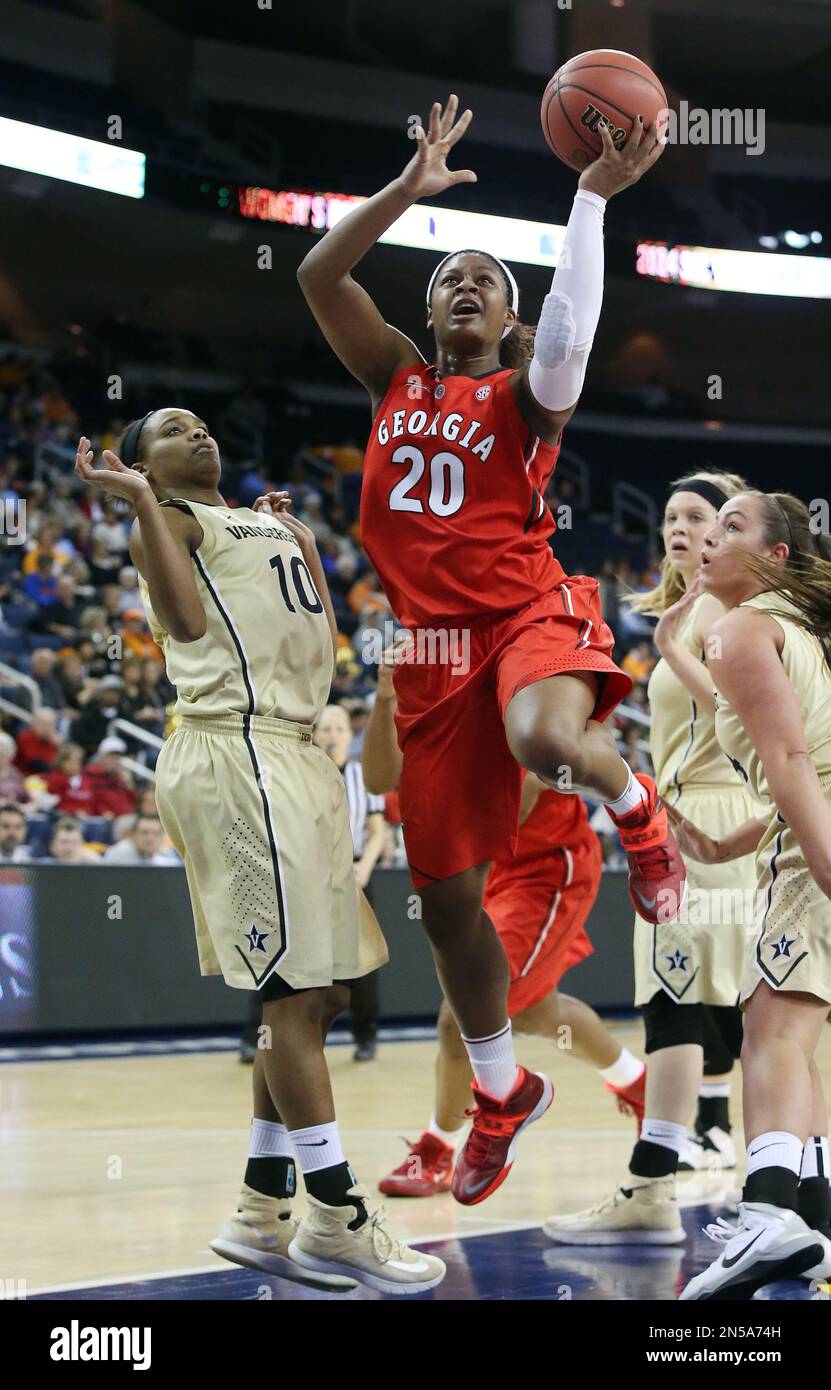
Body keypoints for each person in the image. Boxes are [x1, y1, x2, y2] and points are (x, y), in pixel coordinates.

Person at [297, 94, 682, 1205]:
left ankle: (637, 811)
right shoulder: (394, 381)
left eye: (487, 283)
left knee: (543, 735)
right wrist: (402, 194)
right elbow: (320, 278)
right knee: (449, 903)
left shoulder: (527, 396)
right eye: (446, 280)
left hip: (522, 610)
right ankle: (502, 1093)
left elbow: (570, 326)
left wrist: (589, 201)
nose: (464, 286)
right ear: (426, 314)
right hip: (428, 650)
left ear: (510, 320)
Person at [74, 415, 444, 1295]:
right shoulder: (168, 520)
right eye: (170, 430)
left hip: (292, 746)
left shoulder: (260, 520)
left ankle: (261, 1203)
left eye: (200, 424)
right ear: (141, 465)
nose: (196, 433)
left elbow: (320, 631)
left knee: (309, 989)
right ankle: (335, 1215)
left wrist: (303, 540)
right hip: (232, 745)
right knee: (291, 991)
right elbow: (185, 622)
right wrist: (140, 507)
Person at [546, 472, 761, 1245]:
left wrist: (672, 647)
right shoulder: (695, 605)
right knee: (722, 1004)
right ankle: (760, 1177)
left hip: (706, 818)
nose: (678, 527)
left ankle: (653, 1189)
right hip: (705, 816)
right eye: (669, 515)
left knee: (679, 1002)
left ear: (728, 527)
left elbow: (741, 711)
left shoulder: (716, 612)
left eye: (697, 516)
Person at [362, 648, 647, 1197]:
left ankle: (438, 1150)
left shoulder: (506, 665)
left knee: (461, 1015)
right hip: (489, 868)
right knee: (537, 1010)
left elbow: (524, 792)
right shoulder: (425, 673)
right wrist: (385, 695)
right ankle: (638, 1082)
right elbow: (379, 780)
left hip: (545, 867)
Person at [667, 491, 831, 1299]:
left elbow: (794, 760)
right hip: (804, 830)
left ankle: (767, 1214)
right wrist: (741, 839)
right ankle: (816, 1214)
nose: (706, 536)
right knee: (797, 1034)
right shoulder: (795, 628)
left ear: (772, 557)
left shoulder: (740, 628)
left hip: (814, 846)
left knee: (767, 1026)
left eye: (730, 526)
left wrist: (822, 862)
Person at [315, 703, 386, 1061]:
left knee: (361, 959)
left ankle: (366, 1035)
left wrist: (365, 866)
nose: (332, 735)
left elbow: (377, 830)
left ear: (350, 734)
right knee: (303, 957)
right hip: (311, 876)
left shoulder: (363, 776)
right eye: (325, 728)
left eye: (339, 729)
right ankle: (267, 1035)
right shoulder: (305, 772)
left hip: (354, 874)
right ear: (314, 733)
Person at [103, 813, 168, 865]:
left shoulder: (166, 854)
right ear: (133, 835)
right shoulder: (118, 854)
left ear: (163, 836)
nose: (150, 838)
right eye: (144, 832)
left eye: (156, 833)